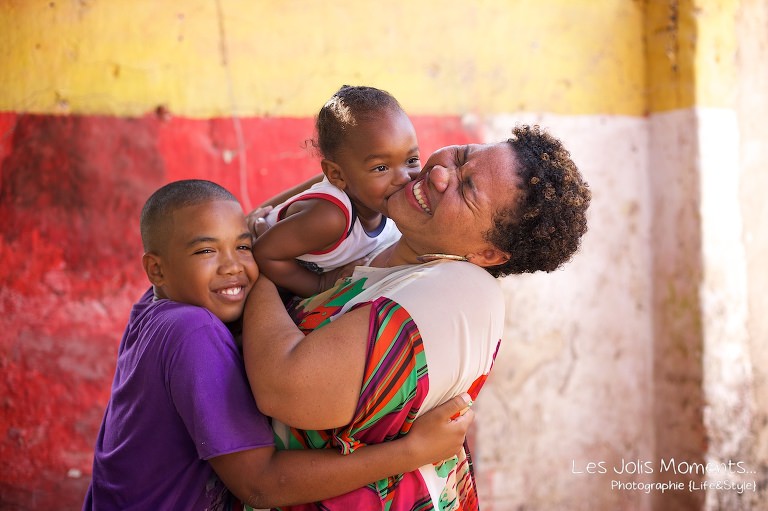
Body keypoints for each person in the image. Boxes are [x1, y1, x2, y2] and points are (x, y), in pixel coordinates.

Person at [241, 124, 592, 510]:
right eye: (461, 155)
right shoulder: (388, 235)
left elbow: (287, 389)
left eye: (467, 189)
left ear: (488, 254)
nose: (439, 173)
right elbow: (272, 215)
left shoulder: (460, 293)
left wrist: (254, 263)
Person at [83, 179, 476, 510]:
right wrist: (412, 452)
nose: (233, 266)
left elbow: (257, 226)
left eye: (242, 247)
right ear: (156, 268)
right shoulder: (193, 330)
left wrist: (337, 181)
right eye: (206, 251)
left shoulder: (156, 302)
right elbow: (261, 484)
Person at [250, 85, 420, 298]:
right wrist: (321, 284)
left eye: (411, 160)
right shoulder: (331, 218)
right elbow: (265, 254)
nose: (404, 177)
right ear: (337, 175)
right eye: (381, 168)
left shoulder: (384, 200)